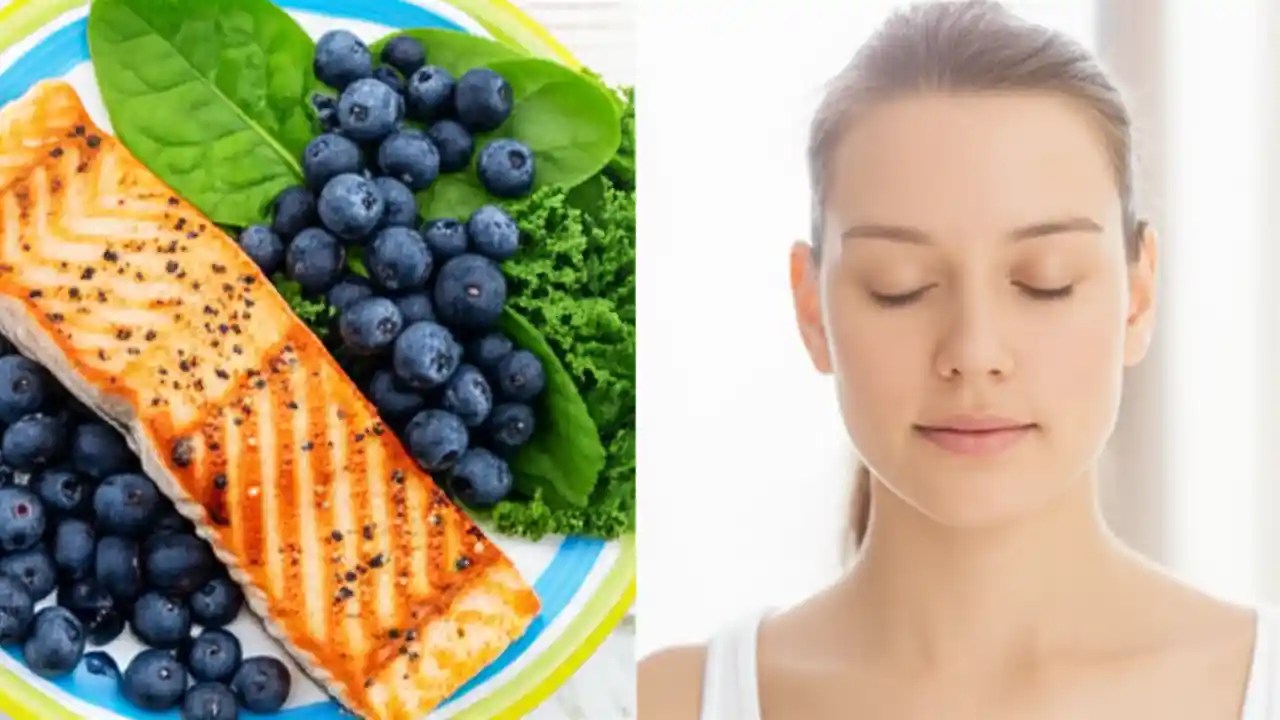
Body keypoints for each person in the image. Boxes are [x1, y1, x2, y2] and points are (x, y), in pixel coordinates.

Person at [637, 1, 1280, 718]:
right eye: (900, 289)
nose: (974, 354)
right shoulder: (669, 700)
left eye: (1046, 281)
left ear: (1136, 295)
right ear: (812, 310)